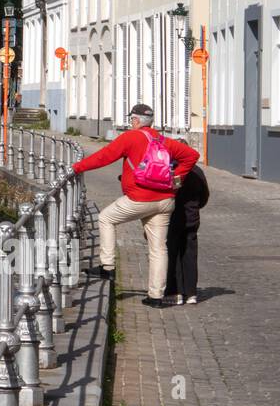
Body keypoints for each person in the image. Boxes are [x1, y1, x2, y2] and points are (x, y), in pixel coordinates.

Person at [71, 102, 199, 308]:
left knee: (105, 218)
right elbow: (192, 156)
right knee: (158, 248)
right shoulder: (162, 139)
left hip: (139, 198)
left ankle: (107, 267)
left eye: (132, 119)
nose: (131, 123)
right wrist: (176, 180)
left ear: (136, 120)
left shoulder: (131, 137)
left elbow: (104, 157)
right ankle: (156, 297)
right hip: (165, 201)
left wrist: (77, 167)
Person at [165, 164, 208, 305]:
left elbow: (172, 192)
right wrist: (195, 206)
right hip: (193, 217)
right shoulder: (197, 171)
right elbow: (205, 195)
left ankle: (176, 292)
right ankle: (191, 293)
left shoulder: (175, 172)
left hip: (176, 217)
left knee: (174, 254)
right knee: (190, 255)